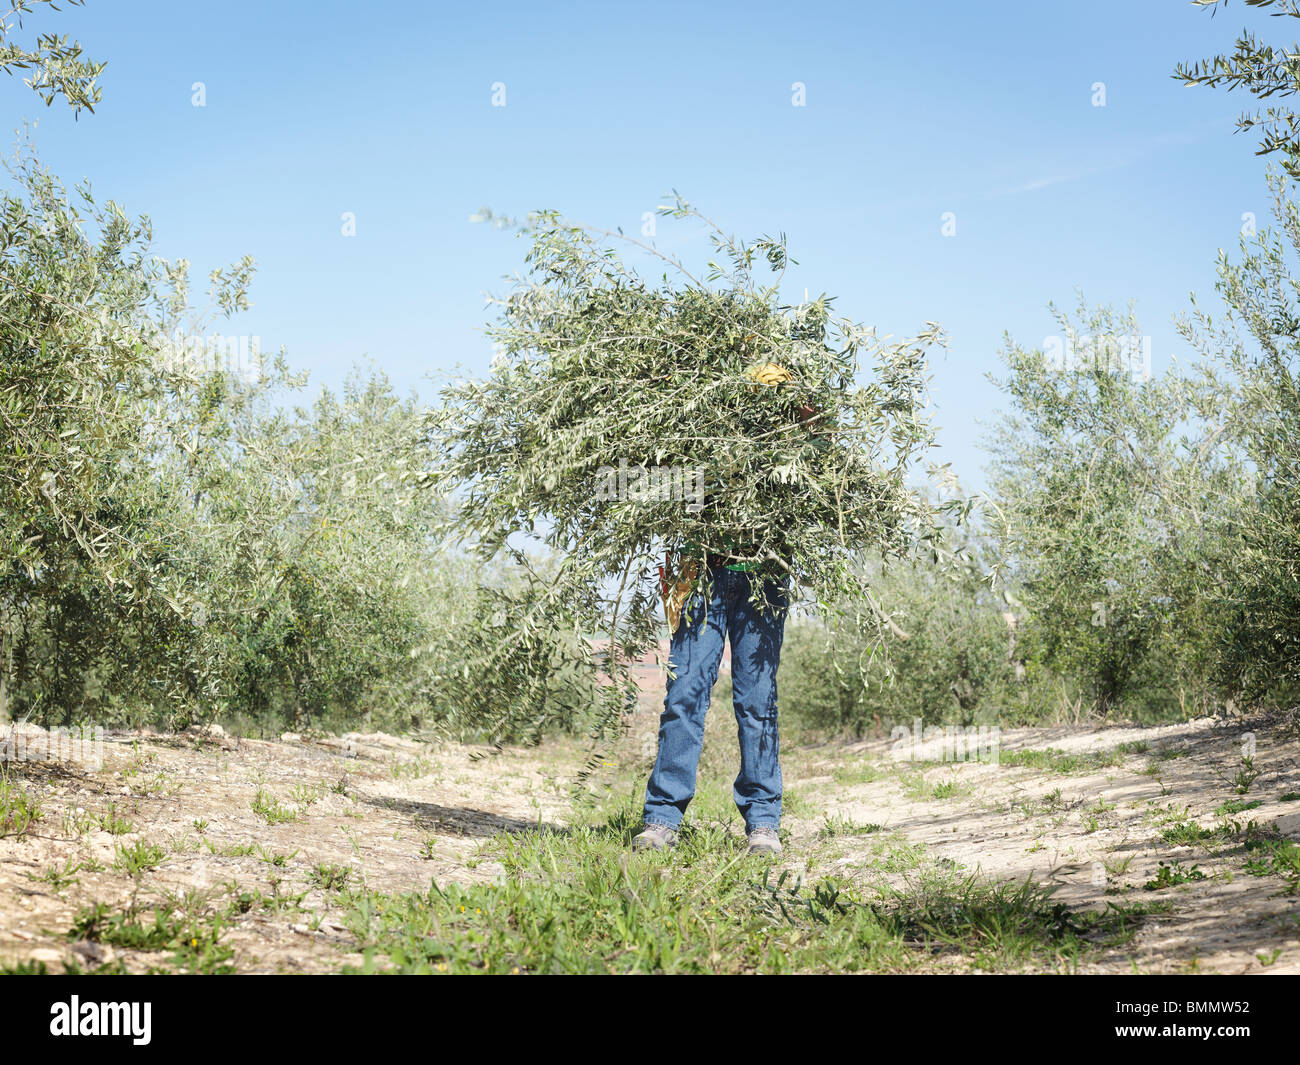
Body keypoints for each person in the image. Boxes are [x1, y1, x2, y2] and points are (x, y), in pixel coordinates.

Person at [633, 362, 820, 857]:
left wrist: (800, 401)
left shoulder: (787, 438)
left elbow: (821, 441)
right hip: (701, 573)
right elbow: (659, 476)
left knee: (757, 703)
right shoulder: (699, 429)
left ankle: (763, 824)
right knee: (685, 695)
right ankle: (662, 820)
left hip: (764, 575)